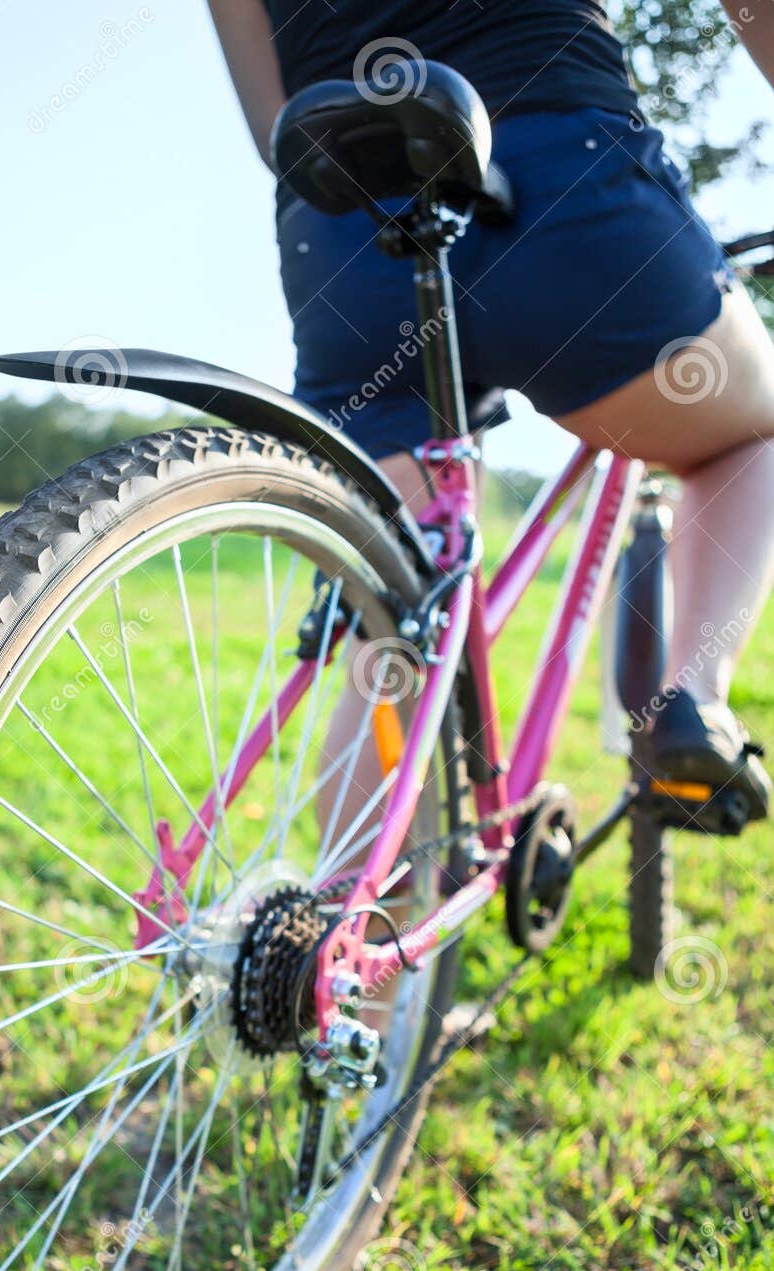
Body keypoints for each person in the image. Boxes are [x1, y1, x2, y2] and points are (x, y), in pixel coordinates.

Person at [208, 0, 772, 819]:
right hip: (562, 186)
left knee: (395, 619)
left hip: (346, 233)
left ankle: (347, 916)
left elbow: (274, 128)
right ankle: (692, 700)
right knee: (749, 428)